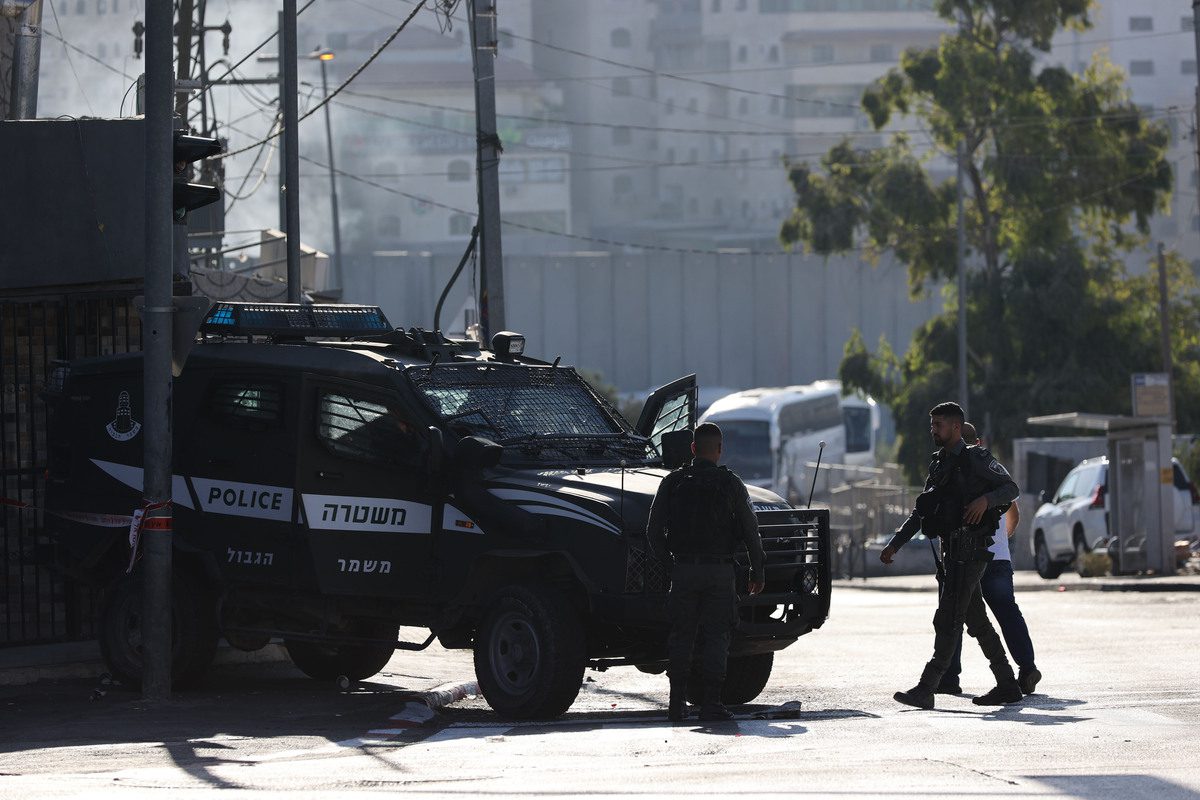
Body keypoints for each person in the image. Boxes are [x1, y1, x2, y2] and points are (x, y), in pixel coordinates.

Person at [880, 402, 1022, 709]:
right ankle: (1008, 684)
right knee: (977, 622)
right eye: (932, 425)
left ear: (956, 427)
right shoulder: (938, 464)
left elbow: (1011, 488)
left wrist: (986, 499)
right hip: (951, 552)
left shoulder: (977, 458)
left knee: (947, 619)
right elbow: (923, 511)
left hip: (972, 551)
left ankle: (926, 686)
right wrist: (896, 543)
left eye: (939, 425)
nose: (934, 430)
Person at [646, 422, 765, 722]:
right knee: (717, 637)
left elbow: (653, 530)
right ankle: (711, 703)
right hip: (719, 573)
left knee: (681, 636)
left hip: (684, 570)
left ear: (693, 448)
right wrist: (757, 571)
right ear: (720, 449)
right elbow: (751, 530)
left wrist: (670, 564)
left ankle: (676, 704)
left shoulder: (673, 482)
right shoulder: (731, 484)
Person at [938, 422, 1042, 696]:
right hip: (997, 558)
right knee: (1007, 611)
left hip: (966, 559)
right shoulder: (992, 475)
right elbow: (1013, 511)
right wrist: (1001, 541)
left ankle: (950, 676)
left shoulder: (952, 472)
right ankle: (1027, 667)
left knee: (954, 615)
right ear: (979, 443)